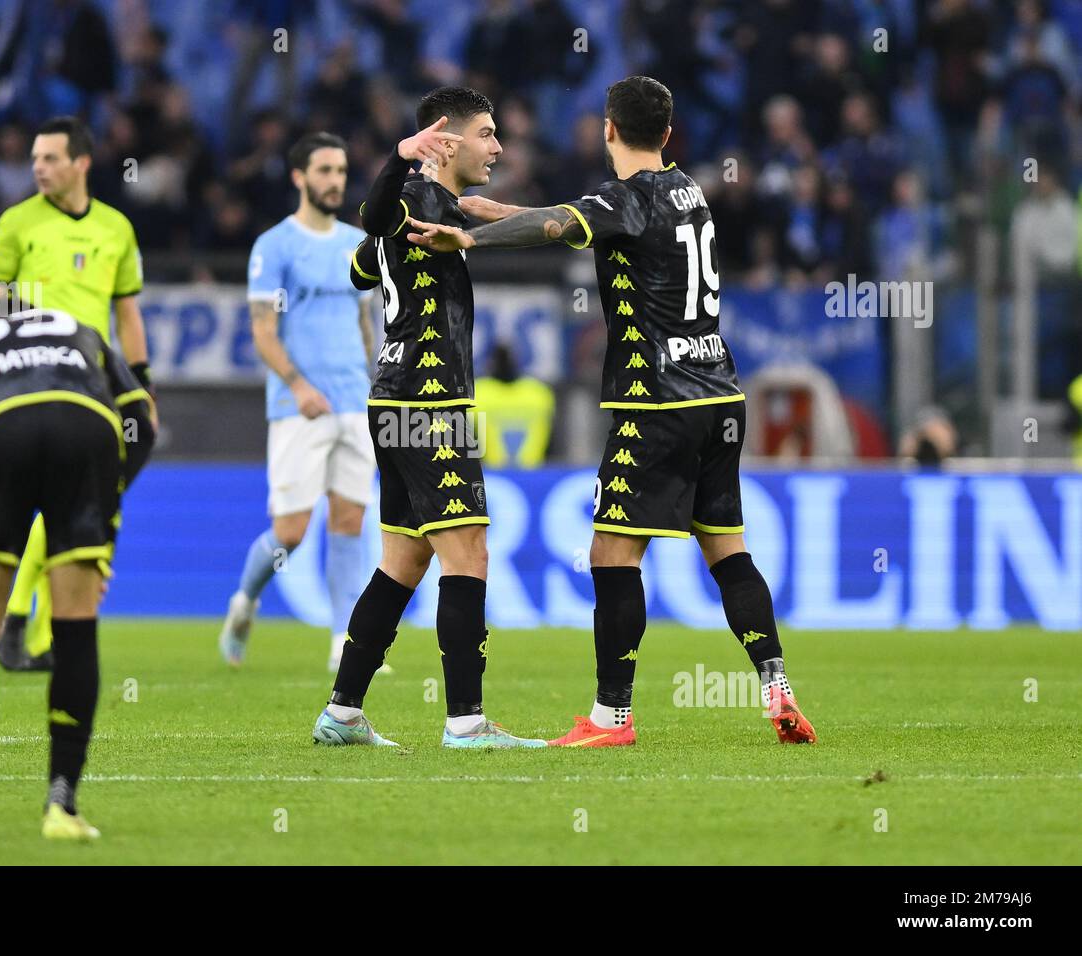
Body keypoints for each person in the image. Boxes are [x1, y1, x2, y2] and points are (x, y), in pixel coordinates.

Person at [408, 76, 817, 746]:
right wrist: (487, 211)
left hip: (657, 400)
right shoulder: (687, 191)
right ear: (668, 134)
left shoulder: (624, 198)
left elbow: (565, 221)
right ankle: (776, 685)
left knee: (611, 553)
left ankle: (611, 718)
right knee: (728, 552)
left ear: (606, 130)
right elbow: (578, 214)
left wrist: (471, 241)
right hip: (719, 394)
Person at [315, 87, 543, 749]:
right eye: (487, 133)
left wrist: (472, 215)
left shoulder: (436, 206)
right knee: (467, 554)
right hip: (430, 398)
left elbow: (364, 265)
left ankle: (344, 714)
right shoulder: (415, 197)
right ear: (446, 140)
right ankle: (466, 724)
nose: (498, 147)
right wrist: (398, 162)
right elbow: (378, 213)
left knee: (403, 562)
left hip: (395, 394)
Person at [0, 308, 154, 839]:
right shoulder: (76, 328)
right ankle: (62, 808)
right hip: (83, 427)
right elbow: (141, 419)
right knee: (76, 625)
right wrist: (99, 519)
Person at [0, 115, 154, 673]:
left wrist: (142, 386)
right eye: (34, 159)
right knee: (59, 501)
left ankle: (36, 628)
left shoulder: (116, 228)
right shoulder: (16, 222)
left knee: (85, 502)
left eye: (49, 158)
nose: (38, 168)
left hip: (95, 379)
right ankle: (26, 621)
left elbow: (127, 311)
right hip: (32, 376)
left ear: (81, 163)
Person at [219, 132, 381, 673]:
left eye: (340, 170)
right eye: (324, 171)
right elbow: (262, 331)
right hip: (299, 406)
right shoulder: (274, 245)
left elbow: (365, 324)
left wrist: (376, 383)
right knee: (291, 532)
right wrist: (298, 385)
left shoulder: (357, 242)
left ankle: (344, 641)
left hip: (354, 403)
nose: (335, 180)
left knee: (349, 522)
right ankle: (245, 600)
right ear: (299, 177)